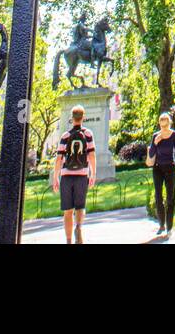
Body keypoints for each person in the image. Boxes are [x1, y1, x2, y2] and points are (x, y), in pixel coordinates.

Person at [52, 104, 96, 244]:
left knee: (67, 211)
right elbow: (92, 155)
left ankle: (69, 240)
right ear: (83, 118)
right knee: (80, 207)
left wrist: (55, 177)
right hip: (82, 175)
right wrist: (93, 173)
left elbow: (59, 158)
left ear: (72, 119)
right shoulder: (88, 134)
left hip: (66, 176)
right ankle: (78, 227)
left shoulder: (65, 136)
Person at [146, 112, 175, 236]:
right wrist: (155, 143)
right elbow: (151, 154)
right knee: (158, 197)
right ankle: (161, 225)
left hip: (170, 168)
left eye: (165, 126)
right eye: (161, 126)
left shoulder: (174, 135)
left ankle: (169, 227)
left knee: (170, 198)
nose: (163, 129)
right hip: (158, 169)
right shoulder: (155, 136)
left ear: (169, 124)